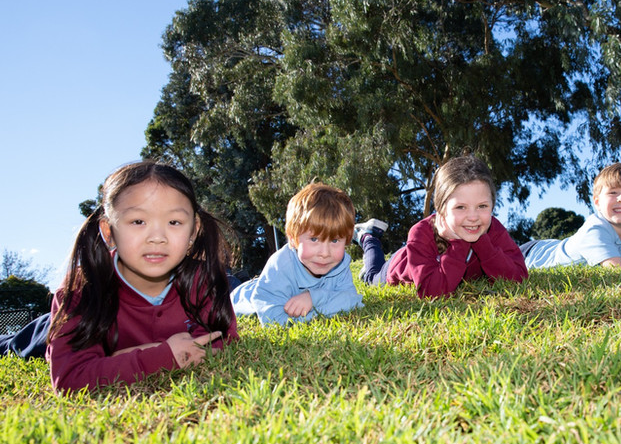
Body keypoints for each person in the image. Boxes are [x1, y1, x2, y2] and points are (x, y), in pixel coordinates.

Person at [40, 161, 239, 393]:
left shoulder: (205, 280)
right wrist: (161, 356)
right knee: (18, 344)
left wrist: (130, 356)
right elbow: (70, 379)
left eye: (174, 222)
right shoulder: (79, 291)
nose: (157, 237)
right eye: (138, 222)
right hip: (49, 327)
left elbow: (221, 343)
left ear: (193, 231)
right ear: (108, 231)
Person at [357, 155, 527, 298]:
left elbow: (519, 276)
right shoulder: (421, 232)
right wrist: (457, 242)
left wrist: (482, 241)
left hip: (420, 252)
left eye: (482, 206)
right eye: (461, 207)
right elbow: (431, 292)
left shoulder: (492, 229)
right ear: (441, 210)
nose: (474, 217)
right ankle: (368, 236)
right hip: (396, 267)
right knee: (371, 276)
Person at [231, 183, 363, 325]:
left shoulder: (340, 265)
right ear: (293, 239)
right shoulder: (280, 266)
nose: (325, 253)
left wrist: (313, 298)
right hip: (238, 296)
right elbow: (273, 321)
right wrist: (321, 312)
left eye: (335, 240)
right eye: (314, 239)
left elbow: (352, 300)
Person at [520, 162, 621, 269]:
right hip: (531, 254)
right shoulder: (595, 229)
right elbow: (616, 269)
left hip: (556, 244)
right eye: (613, 192)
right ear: (597, 202)